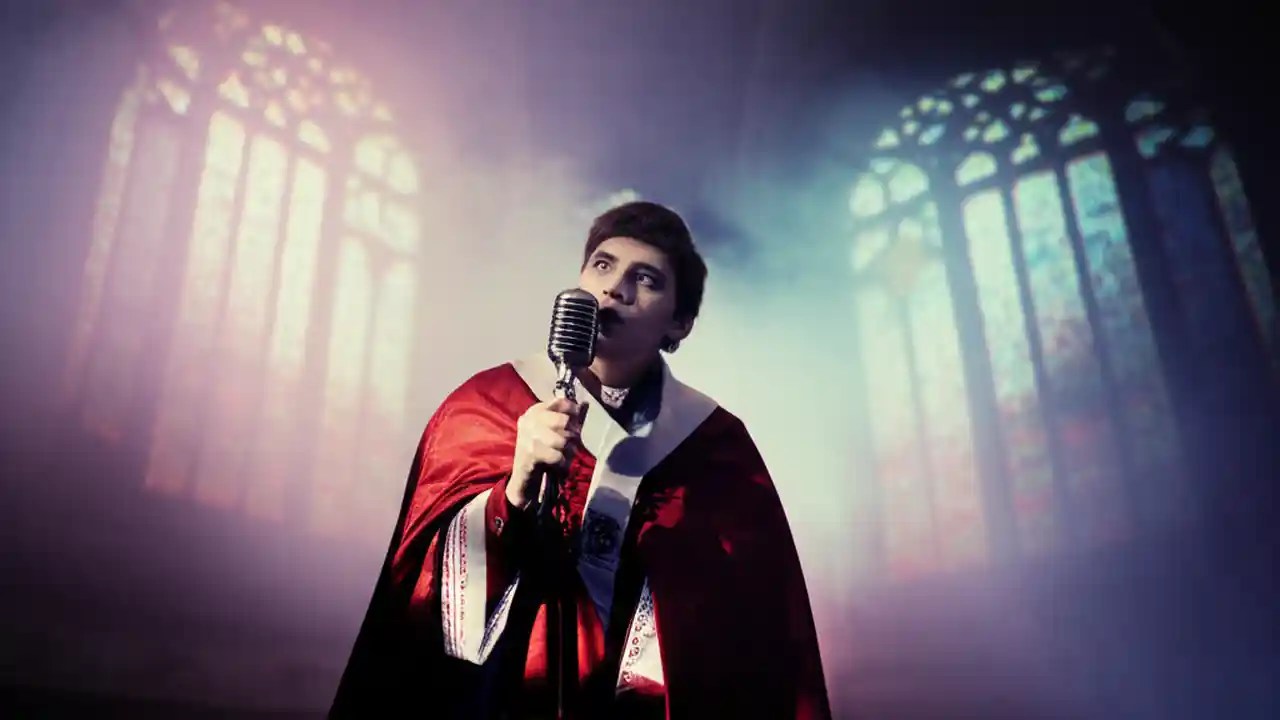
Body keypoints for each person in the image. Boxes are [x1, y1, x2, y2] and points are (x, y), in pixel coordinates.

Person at [328, 201, 831, 719]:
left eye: (647, 279)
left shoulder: (716, 445)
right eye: (603, 265)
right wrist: (516, 489)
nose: (614, 289)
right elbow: (421, 583)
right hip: (507, 690)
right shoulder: (487, 403)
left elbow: (756, 622)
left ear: (679, 324)